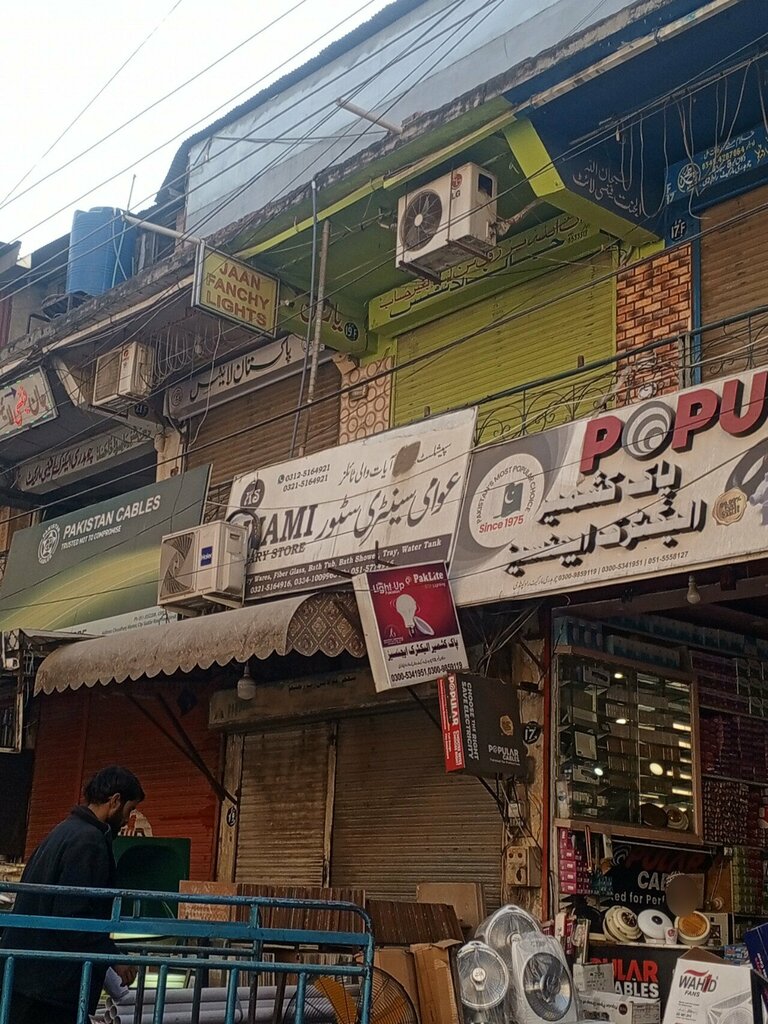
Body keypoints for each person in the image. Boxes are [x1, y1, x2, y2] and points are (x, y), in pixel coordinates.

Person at [0, 766, 145, 1024]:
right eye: (129, 810)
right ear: (115, 801)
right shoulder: (88, 842)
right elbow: (73, 915)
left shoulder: (65, 830)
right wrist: (112, 956)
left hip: (29, 976)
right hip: (50, 984)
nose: (127, 820)